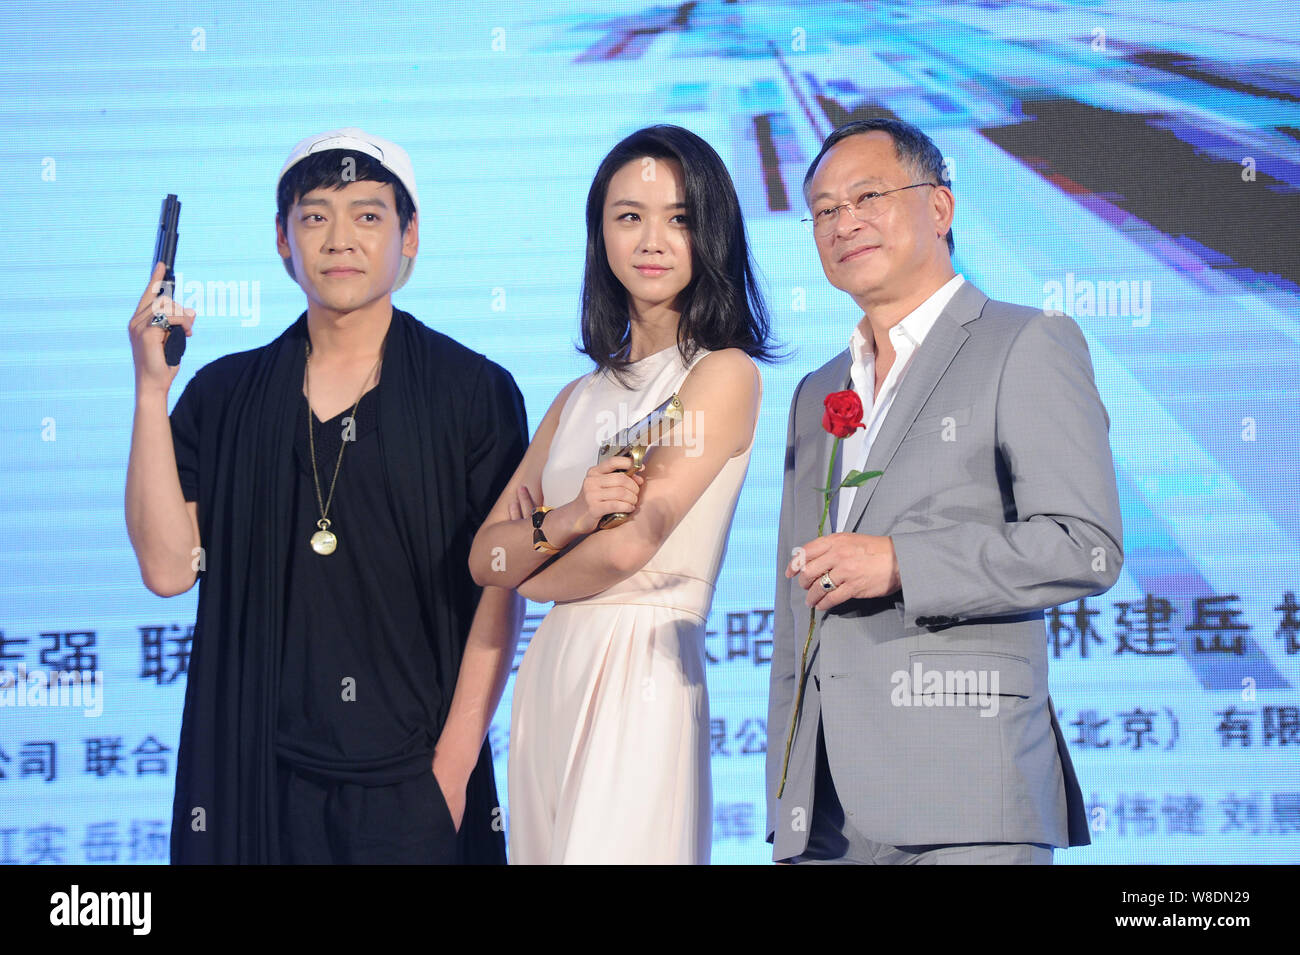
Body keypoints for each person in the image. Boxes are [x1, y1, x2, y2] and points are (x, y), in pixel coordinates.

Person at [125, 128, 528, 864]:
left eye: (369, 215)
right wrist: (154, 390)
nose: (340, 238)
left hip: (413, 780)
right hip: (258, 780)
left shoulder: (473, 391)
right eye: (315, 216)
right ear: (282, 240)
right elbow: (167, 568)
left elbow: (501, 587)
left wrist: (453, 768)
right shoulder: (225, 395)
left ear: (410, 238)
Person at [766, 118, 1124, 864]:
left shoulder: (1026, 341)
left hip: (970, 794)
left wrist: (903, 563)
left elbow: (1085, 546)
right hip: (827, 815)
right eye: (825, 209)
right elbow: (794, 605)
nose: (844, 222)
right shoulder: (815, 391)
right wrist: (788, 795)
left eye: (868, 196)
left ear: (940, 207)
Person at [469, 125, 776, 864]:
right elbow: (484, 557)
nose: (654, 238)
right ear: (599, 232)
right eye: (629, 215)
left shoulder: (723, 373)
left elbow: (632, 545)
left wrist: (535, 561)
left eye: (680, 217)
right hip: (551, 675)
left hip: (644, 664)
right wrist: (574, 516)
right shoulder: (577, 396)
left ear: (713, 234)